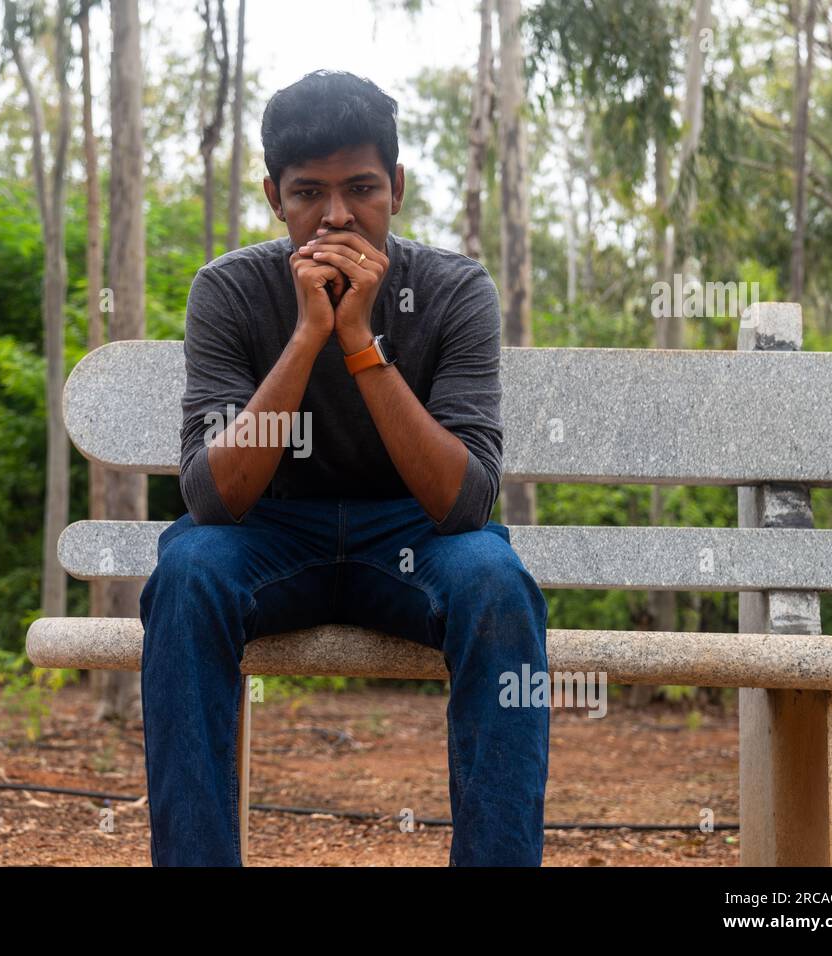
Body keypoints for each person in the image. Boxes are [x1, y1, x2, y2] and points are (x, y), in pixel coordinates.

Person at [138, 69, 549, 867]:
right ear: (273, 197)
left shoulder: (454, 290)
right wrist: (306, 335)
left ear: (395, 186)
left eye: (361, 187)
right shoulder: (228, 290)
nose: (335, 215)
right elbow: (215, 498)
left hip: (417, 535)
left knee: (497, 583)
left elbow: (463, 501)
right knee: (187, 572)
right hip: (266, 536)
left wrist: (361, 343)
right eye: (307, 193)